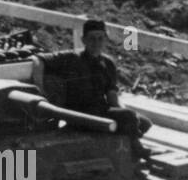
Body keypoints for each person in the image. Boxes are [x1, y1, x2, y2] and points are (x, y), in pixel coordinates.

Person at [37, 18, 153, 147]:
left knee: (143, 122)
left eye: (100, 38)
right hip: (79, 114)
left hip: (101, 111)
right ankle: (136, 148)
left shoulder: (108, 63)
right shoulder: (71, 58)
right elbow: (38, 59)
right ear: (84, 40)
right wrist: (40, 87)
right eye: (91, 38)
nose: (96, 42)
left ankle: (116, 143)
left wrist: (124, 113)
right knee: (129, 119)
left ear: (105, 40)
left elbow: (112, 96)